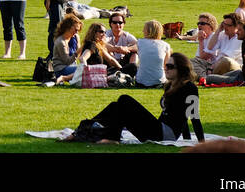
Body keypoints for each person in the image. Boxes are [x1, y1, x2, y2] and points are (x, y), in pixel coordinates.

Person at [67, 51, 205, 143]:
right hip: (157, 129)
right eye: (166, 65)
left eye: (170, 66)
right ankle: (81, 131)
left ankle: (109, 136)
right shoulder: (169, 86)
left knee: (124, 99)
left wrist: (199, 143)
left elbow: (193, 117)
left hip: (165, 134)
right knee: (117, 106)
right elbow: (182, 117)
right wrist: (186, 140)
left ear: (181, 69)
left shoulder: (189, 88)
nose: (166, 69)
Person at [135, 20, 170, 88]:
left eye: (144, 29)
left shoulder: (140, 42)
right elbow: (167, 65)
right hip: (159, 81)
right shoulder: (165, 45)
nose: (142, 31)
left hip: (140, 82)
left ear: (148, 31)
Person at [49, 14, 83, 80]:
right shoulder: (60, 42)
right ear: (68, 27)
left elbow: (80, 55)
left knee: (89, 69)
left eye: (78, 30)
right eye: (75, 30)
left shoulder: (75, 37)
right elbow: (67, 61)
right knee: (85, 71)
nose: (76, 32)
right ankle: (63, 78)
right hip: (61, 69)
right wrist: (78, 51)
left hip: (72, 66)